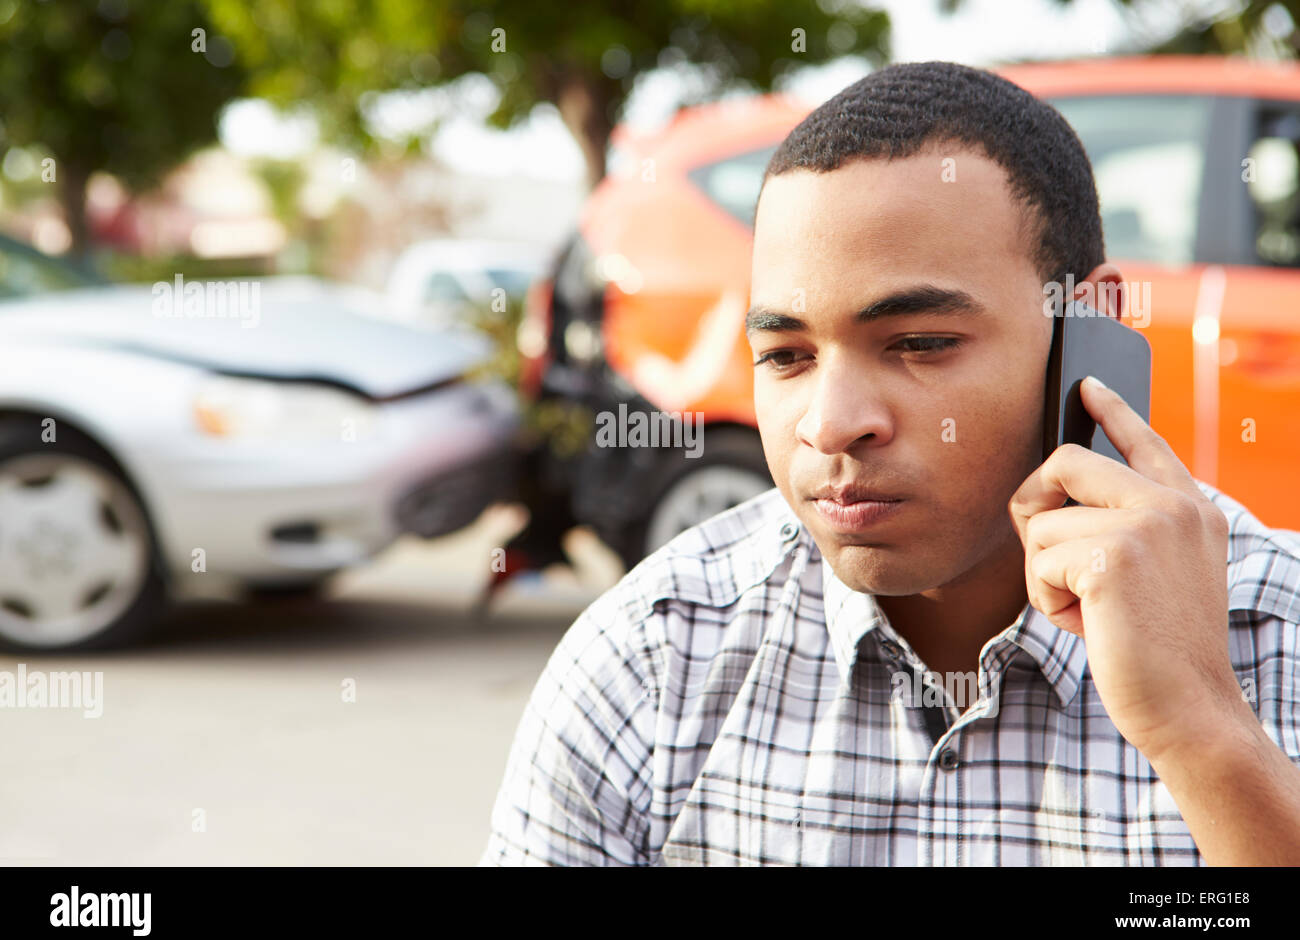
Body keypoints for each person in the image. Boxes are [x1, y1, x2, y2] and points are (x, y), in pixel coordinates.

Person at [479, 61, 1300, 865]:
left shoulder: (1276, 638)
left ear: (1089, 324)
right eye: (786, 356)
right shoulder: (651, 663)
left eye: (919, 344)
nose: (832, 426)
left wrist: (1207, 736)